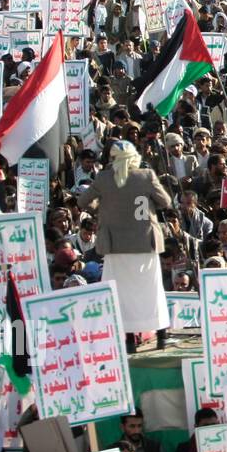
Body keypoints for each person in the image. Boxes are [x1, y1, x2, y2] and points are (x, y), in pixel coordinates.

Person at [78, 141, 172, 350]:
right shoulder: (146, 176)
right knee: (152, 289)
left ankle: (129, 340)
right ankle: (162, 336)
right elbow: (165, 202)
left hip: (115, 245)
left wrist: (102, 206)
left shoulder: (103, 179)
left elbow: (83, 202)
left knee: (121, 294)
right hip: (144, 243)